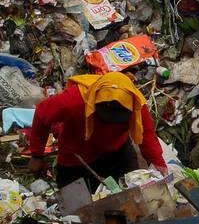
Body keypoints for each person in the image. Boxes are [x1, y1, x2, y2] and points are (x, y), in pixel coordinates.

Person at [27, 73, 167, 188]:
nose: (108, 123)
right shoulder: (74, 100)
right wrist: (37, 155)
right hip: (76, 155)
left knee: (132, 191)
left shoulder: (136, 106)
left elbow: (148, 138)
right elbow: (42, 114)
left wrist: (160, 168)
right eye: (104, 119)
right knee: (74, 207)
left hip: (117, 150)